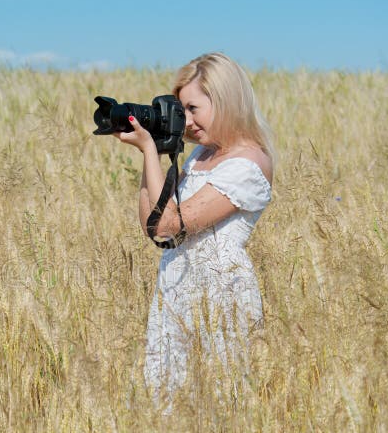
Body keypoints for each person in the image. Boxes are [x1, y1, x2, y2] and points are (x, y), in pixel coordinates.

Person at [113, 52, 274, 398]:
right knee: (170, 402)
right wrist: (151, 153)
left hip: (218, 293)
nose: (185, 121)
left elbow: (171, 224)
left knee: (218, 402)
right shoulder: (201, 155)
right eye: (181, 110)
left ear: (225, 101)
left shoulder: (248, 163)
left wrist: (149, 152)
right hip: (176, 288)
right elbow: (153, 227)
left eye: (193, 109)